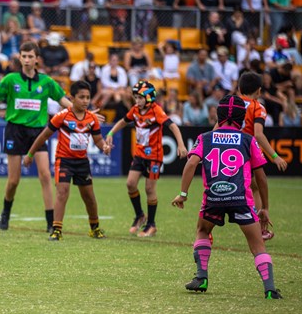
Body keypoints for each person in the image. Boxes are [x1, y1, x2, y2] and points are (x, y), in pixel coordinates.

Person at [0, 42, 73, 232]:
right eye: (23, 56)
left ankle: (51, 222)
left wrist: (86, 115)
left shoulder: (47, 82)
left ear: (37, 59)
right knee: (13, 180)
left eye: (30, 56)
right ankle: (6, 213)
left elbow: (65, 103)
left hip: (38, 132)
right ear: (19, 58)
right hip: (15, 131)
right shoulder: (10, 80)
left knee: (45, 175)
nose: (26, 60)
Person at [172, 95, 282, 299]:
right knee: (258, 244)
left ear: (218, 116)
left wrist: (183, 194)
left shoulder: (204, 138)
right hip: (242, 199)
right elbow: (261, 177)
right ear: (242, 119)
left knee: (202, 230)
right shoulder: (248, 140)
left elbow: (190, 164)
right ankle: (270, 289)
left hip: (213, 198)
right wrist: (264, 207)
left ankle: (201, 277)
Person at [23, 80, 108, 241]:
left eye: (87, 97)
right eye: (81, 97)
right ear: (72, 98)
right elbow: (43, 136)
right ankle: (56, 230)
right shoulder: (62, 116)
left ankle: (95, 227)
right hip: (64, 160)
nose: (85, 101)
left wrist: (104, 147)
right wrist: (30, 154)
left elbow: (98, 140)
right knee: (62, 192)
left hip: (82, 162)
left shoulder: (92, 119)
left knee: (89, 197)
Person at [103, 81, 188, 237]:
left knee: (150, 189)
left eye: (140, 98)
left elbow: (173, 126)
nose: (137, 101)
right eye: (135, 97)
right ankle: (140, 215)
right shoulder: (135, 110)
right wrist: (110, 134)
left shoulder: (157, 111)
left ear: (149, 98)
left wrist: (181, 145)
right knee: (130, 184)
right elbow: (123, 122)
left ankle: (151, 224)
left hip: (154, 157)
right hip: (139, 155)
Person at [237, 72, 287, 239]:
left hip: (229, 150)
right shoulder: (258, 107)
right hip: (247, 151)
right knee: (256, 185)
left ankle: (205, 230)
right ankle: (259, 228)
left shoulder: (232, 103)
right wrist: (275, 156)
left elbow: (218, 126)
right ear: (259, 91)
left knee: (248, 187)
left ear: (239, 88)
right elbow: (258, 134)